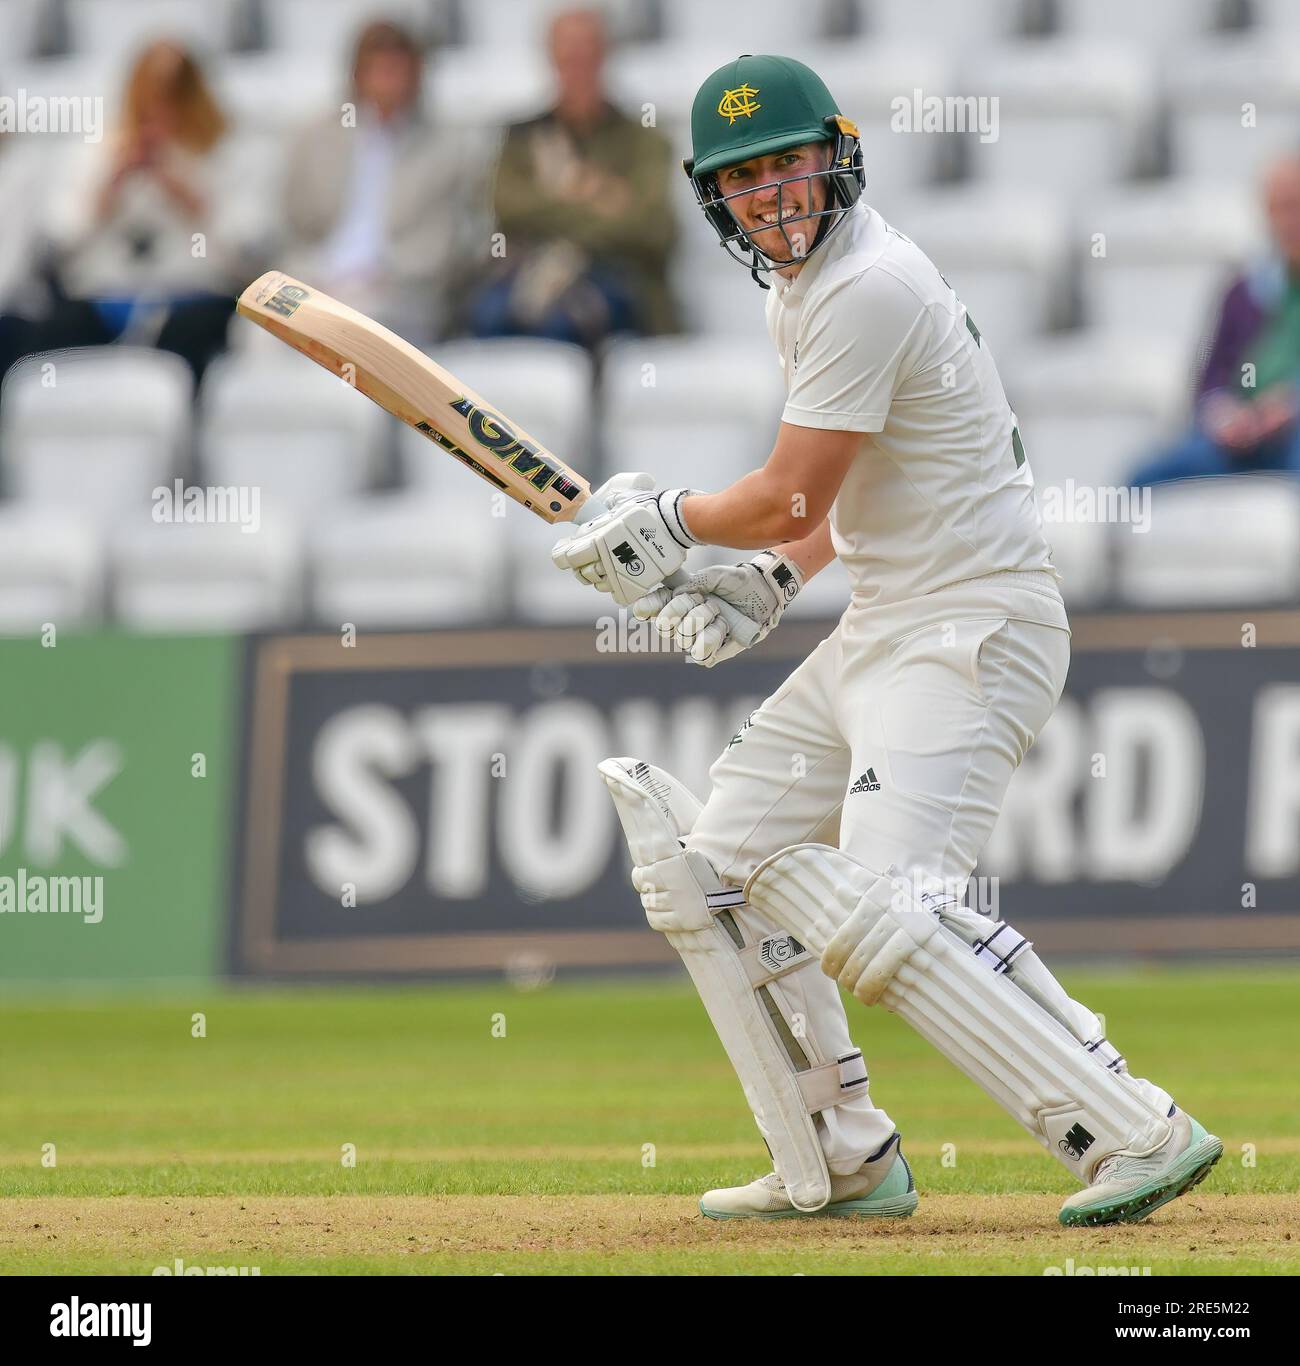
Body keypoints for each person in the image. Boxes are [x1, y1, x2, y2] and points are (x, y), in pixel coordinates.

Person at [553, 55, 1222, 1224]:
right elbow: (832, 501)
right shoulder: (796, 291)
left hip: (972, 624)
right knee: (711, 866)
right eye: (742, 179)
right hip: (888, 618)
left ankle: (1131, 1125)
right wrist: (767, 577)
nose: (770, 195)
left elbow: (784, 492)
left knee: (889, 909)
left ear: (837, 154)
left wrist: (666, 523)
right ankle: (840, 1154)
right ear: (716, 200)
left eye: (786, 164)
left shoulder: (870, 285)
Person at [0, 41, 243, 387]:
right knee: (44, 343)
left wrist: (190, 198)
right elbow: (60, 241)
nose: (159, 108)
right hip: (106, 298)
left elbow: (248, 252)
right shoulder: (98, 150)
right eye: (151, 93)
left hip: (192, 294)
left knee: (188, 340)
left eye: (173, 93)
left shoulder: (223, 151)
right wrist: (108, 189)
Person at [468, 7, 678, 347]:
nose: (578, 68)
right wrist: (600, 196)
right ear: (551, 60)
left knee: (562, 327)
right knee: (487, 318)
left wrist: (557, 198)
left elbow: (652, 227)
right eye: (568, 57)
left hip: (616, 279)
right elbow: (507, 209)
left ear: (605, 57)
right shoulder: (521, 137)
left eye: (587, 55)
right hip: (528, 275)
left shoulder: (645, 140)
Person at [280, 20, 477, 345]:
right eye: (379, 70)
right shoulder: (315, 138)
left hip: (399, 292)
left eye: (396, 71)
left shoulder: (446, 149)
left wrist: (371, 277)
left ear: (416, 76)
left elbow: (444, 245)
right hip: (316, 281)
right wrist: (316, 277)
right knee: (261, 330)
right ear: (358, 74)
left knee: (361, 324)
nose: (388, 82)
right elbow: (293, 222)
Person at [1131, 156, 1300, 485]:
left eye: (1296, 206)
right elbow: (1210, 379)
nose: (1290, 221)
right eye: (1280, 209)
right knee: (1143, 481)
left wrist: (1289, 405)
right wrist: (1226, 415)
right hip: (1240, 442)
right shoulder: (1243, 290)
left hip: (1293, 439)